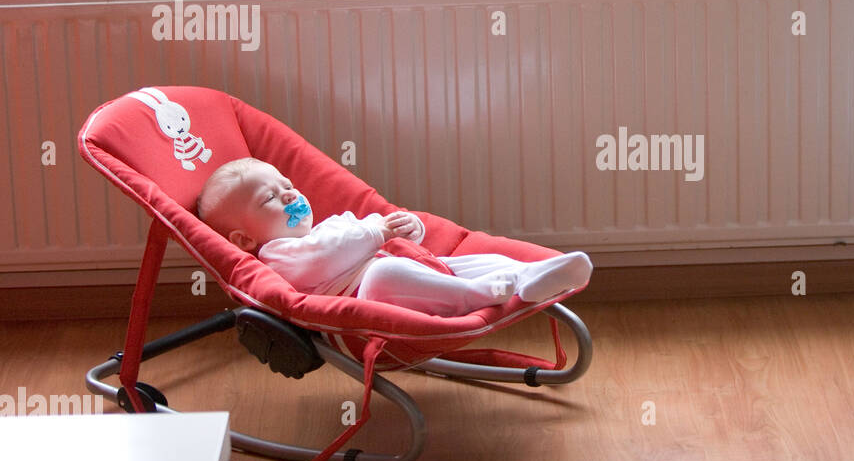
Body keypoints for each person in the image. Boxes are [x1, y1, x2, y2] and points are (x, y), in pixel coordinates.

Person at [196, 157, 591, 316]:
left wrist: (405, 228)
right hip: (369, 300)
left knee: (463, 263)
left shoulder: (332, 223)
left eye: (287, 185)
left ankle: (533, 275)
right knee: (383, 276)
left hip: (422, 269)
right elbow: (323, 258)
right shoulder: (277, 255)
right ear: (245, 240)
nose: (290, 194)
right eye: (271, 197)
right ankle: (482, 294)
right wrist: (374, 231)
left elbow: (372, 229)